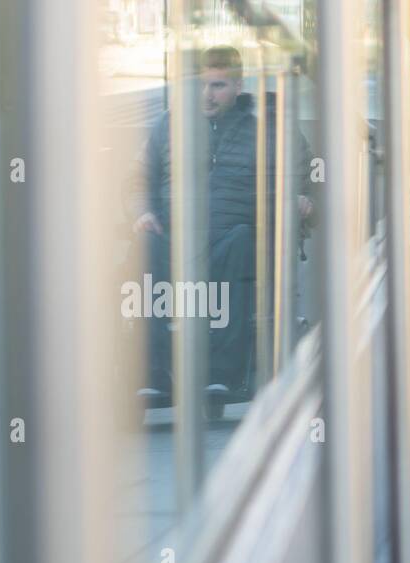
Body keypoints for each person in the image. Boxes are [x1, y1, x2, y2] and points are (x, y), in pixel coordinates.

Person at [128, 44, 314, 401]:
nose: (206, 95)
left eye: (217, 86)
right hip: (174, 239)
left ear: (238, 87)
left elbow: (304, 181)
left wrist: (304, 200)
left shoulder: (266, 130)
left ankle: (221, 377)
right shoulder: (169, 125)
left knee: (245, 240)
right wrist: (142, 212)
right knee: (145, 244)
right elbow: (138, 179)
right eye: (200, 85)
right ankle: (155, 376)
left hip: (233, 241)